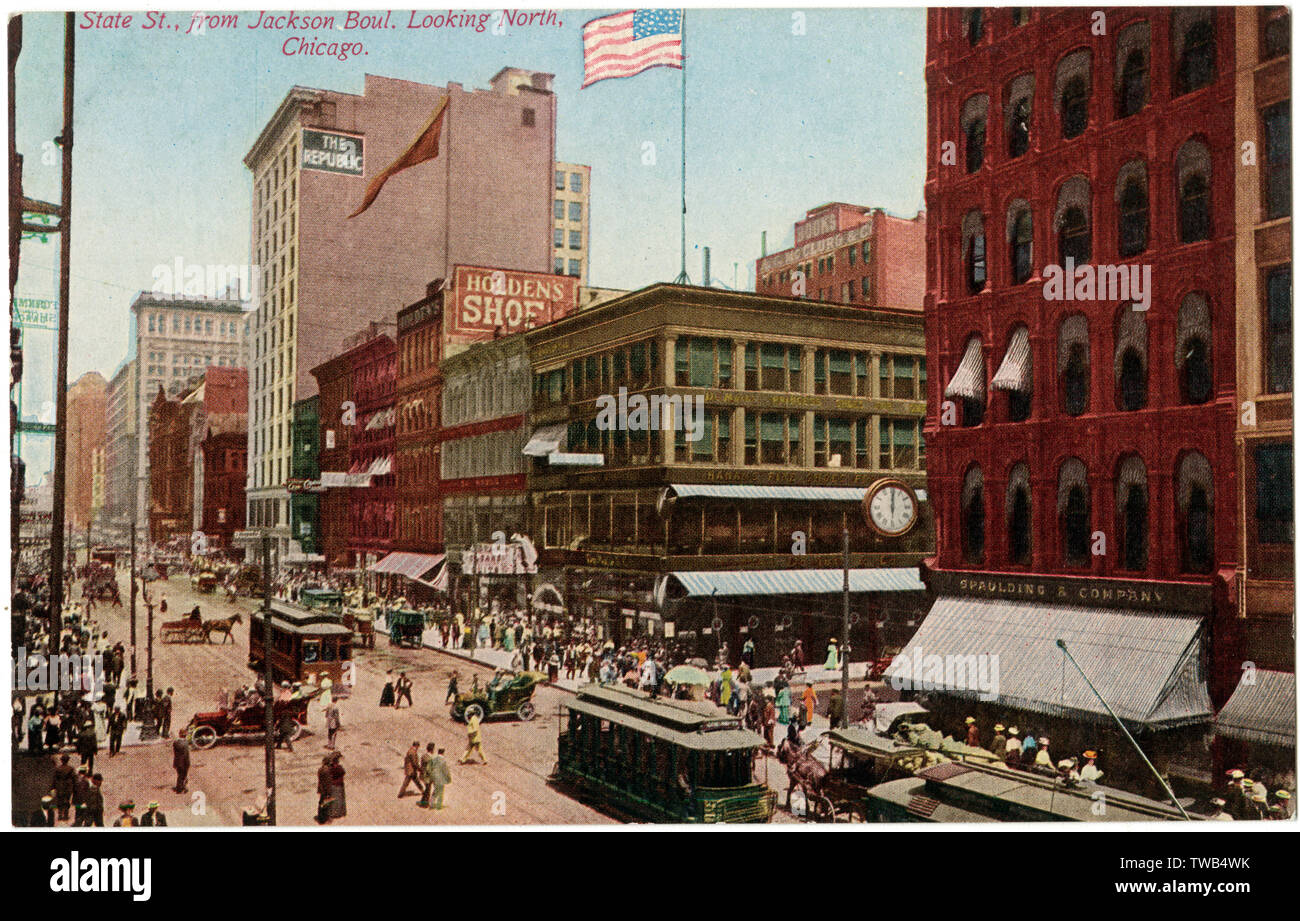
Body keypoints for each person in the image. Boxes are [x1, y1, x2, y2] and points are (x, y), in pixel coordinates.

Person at [419, 744, 453, 810]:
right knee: (435, 790)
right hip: (434, 777)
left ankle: (426, 803)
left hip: (429, 776)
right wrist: (448, 778)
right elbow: (445, 770)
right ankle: (429, 804)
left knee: (430, 790)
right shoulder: (436, 759)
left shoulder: (431, 757)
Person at [52, 754, 77, 821]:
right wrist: (75, 787)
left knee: (60, 801)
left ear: (61, 760)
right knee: (66, 801)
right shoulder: (71, 769)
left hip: (59, 786)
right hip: (68, 787)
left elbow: (54, 779)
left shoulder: (58, 769)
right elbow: (74, 778)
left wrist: (53, 787)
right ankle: (66, 815)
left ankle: (60, 815)